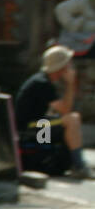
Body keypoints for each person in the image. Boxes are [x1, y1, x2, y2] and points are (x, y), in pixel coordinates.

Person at [15, 45, 91, 178]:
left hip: (38, 125)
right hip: (30, 129)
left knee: (71, 118)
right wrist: (70, 84)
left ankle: (75, 163)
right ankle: (79, 166)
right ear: (61, 66)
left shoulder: (44, 81)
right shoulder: (42, 83)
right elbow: (66, 109)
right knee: (72, 119)